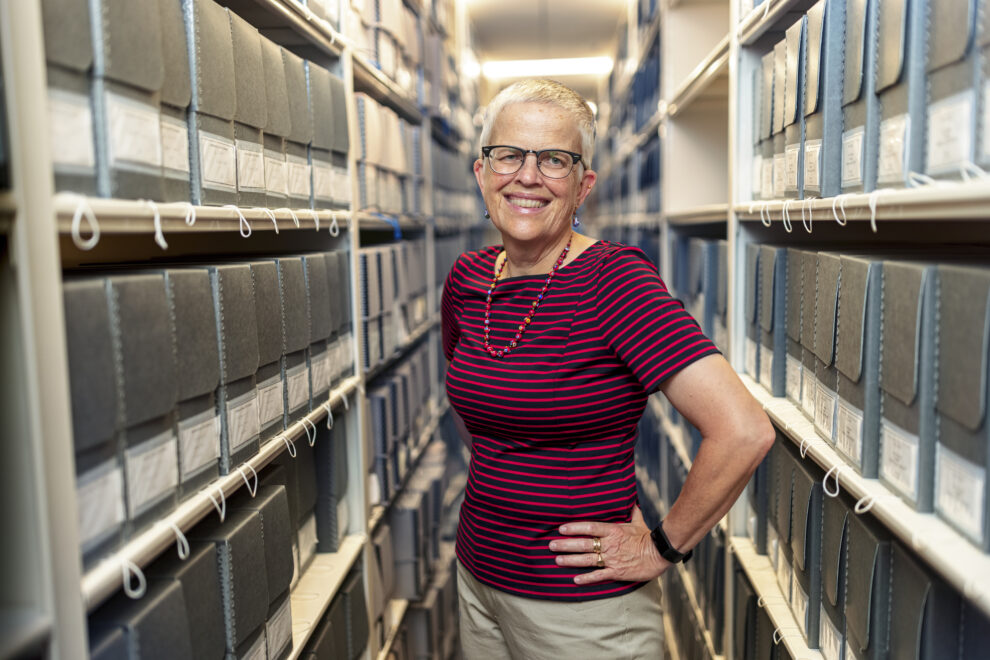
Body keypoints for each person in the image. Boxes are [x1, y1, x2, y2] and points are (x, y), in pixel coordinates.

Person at [441, 78, 774, 658]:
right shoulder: (468, 279)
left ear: (583, 185)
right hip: (477, 577)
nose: (527, 176)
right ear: (482, 172)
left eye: (554, 160)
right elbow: (481, 405)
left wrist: (661, 547)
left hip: (582, 609)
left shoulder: (614, 281)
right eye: (508, 155)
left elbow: (743, 430)